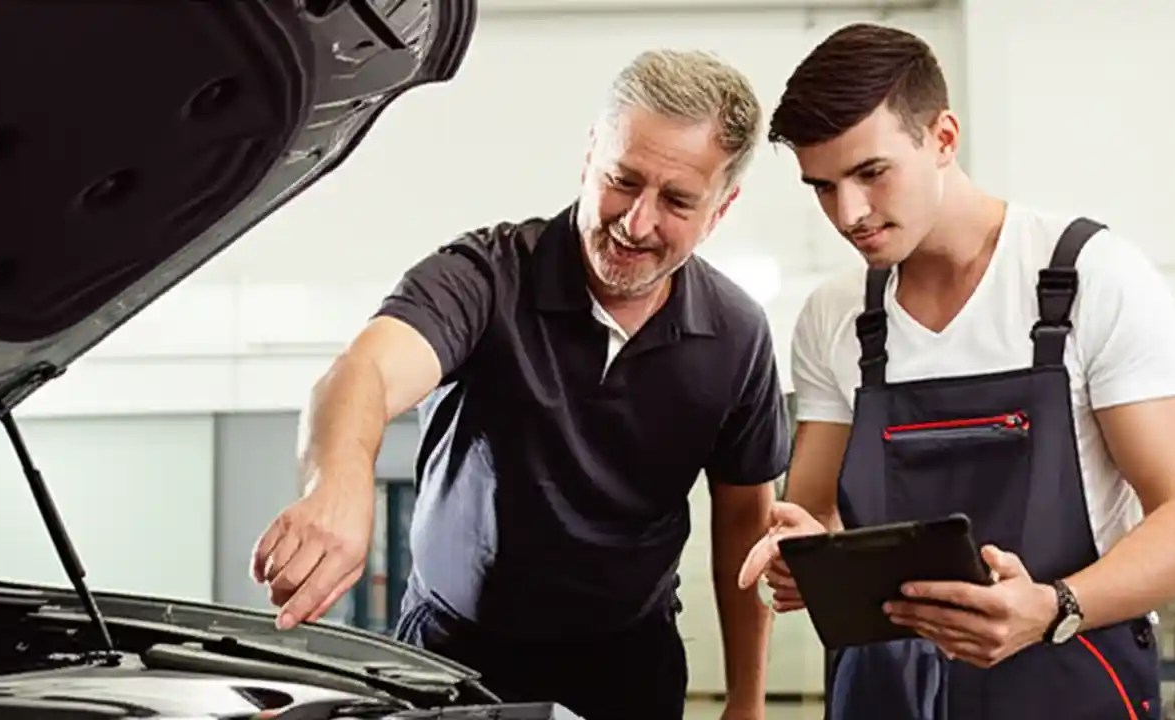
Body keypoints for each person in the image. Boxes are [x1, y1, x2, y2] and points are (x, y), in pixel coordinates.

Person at [251, 49, 792, 720]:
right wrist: (337, 484)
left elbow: (744, 520)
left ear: (721, 208)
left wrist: (747, 698)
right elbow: (362, 371)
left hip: (628, 669)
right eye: (622, 180)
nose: (637, 222)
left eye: (678, 200)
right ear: (592, 152)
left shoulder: (738, 334)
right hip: (453, 656)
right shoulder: (484, 277)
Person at [736, 22, 1175, 720]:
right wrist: (800, 557)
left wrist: (1053, 606)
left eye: (871, 174)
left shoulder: (1089, 279)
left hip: (1072, 681)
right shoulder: (837, 316)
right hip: (883, 698)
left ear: (943, 138)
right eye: (822, 187)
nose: (848, 214)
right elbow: (817, 512)